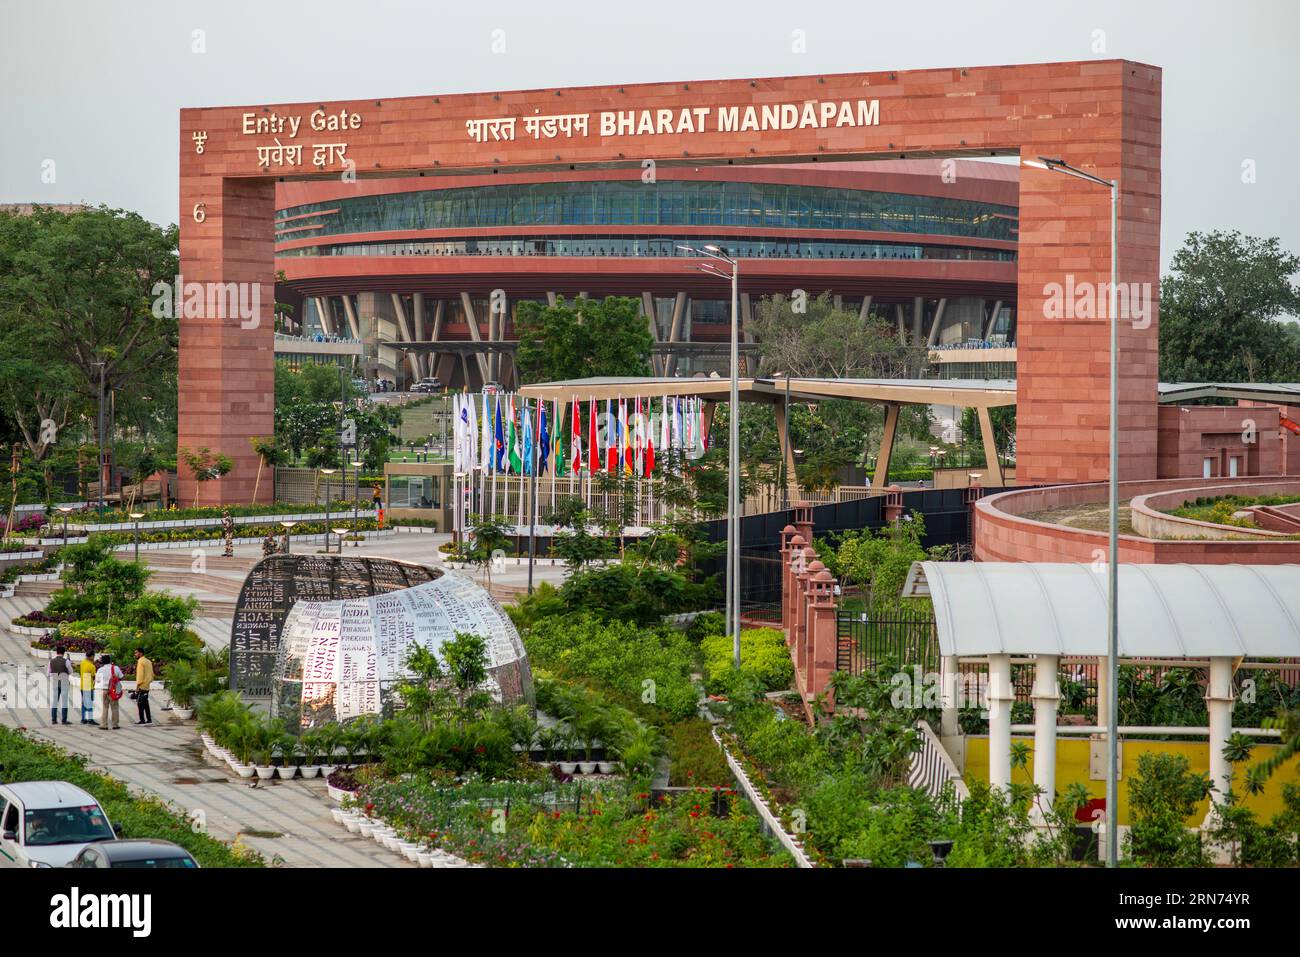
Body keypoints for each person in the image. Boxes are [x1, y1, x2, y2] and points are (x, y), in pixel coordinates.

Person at [95, 655, 124, 731]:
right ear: (110, 660)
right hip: (113, 691)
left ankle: (104, 725)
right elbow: (121, 676)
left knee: (105, 708)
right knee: (114, 707)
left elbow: (97, 681)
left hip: (104, 690)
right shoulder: (116, 668)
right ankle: (115, 724)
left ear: (102, 662)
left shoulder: (100, 670)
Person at [47, 646, 72, 725]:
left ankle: (54, 719)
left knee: (55, 701)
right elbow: (71, 671)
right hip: (64, 683)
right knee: (64, 701)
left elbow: (48, 674)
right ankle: (64, 720)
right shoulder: (66, 661)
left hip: (55, 683)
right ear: (63, 653)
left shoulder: (51, 661)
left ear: (56, 652)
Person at [133, 649, 154, 725]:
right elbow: (152, 674)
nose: (135, 654)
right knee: (146, 703)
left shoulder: (140, 662)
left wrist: (137, 686)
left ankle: (142, 720)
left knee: (140, 703)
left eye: (136, 653)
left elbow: (140, 676)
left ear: (141, 653)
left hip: (142, 685)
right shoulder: (148, 661)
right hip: (147, 685)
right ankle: (149, 719)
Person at [78, 654, 96, 724]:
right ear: (91, 656)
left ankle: (83, 719)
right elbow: (94, 676)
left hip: (82, 685)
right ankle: (90, 719)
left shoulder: (82, 662)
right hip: (89, 686)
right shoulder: (92, 666)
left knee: (83, 702)